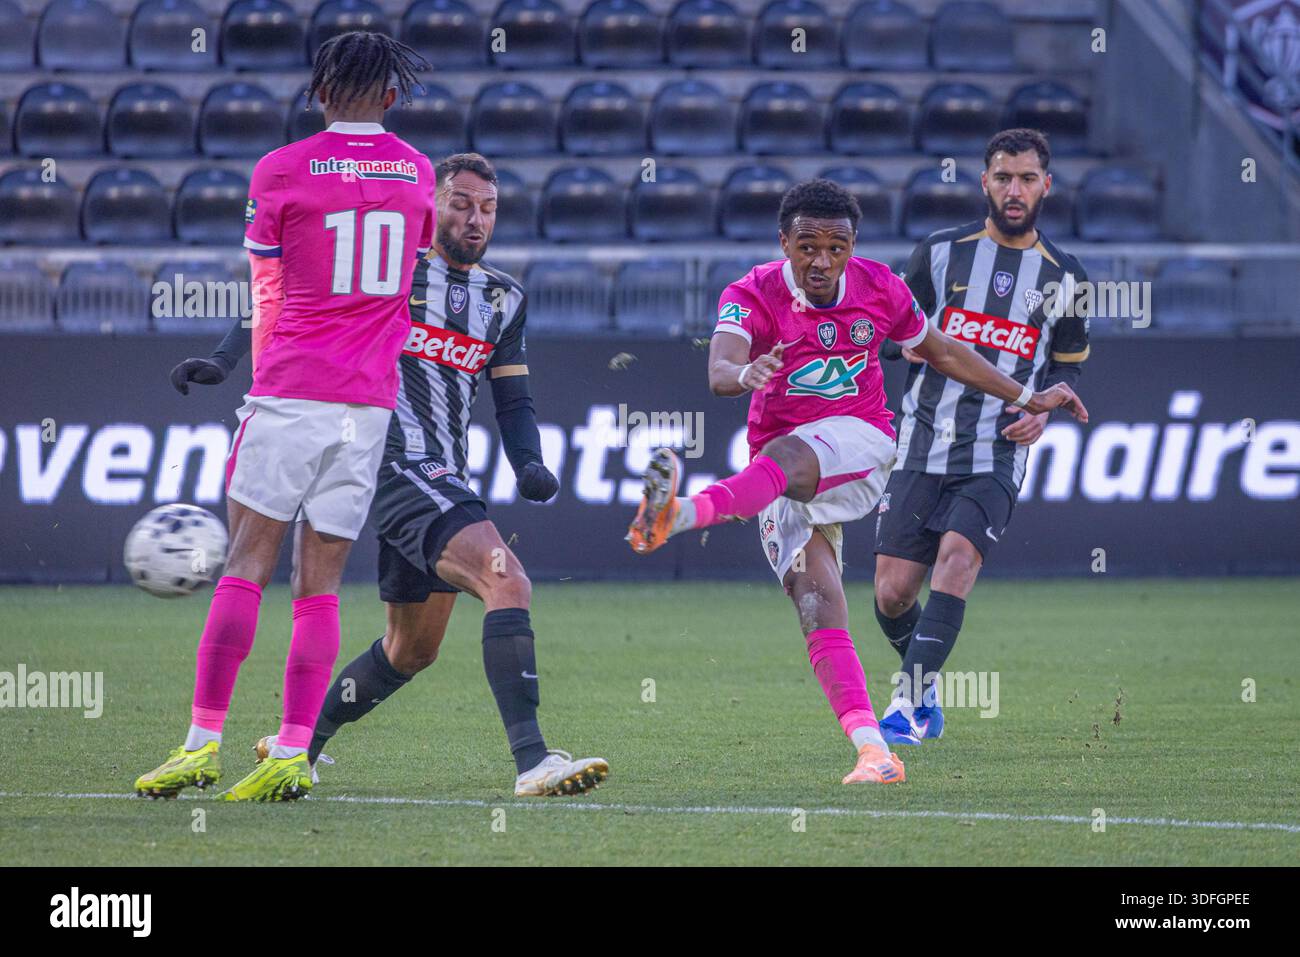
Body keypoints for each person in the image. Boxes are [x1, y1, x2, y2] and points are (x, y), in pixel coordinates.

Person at [171, 154, 607, 798]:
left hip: (440, 471)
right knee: (505, 578)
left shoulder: (503, 298)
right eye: (461, 203)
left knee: (411, 649)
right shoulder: (390, 270)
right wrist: (221, 360)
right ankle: (534, 761)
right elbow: (285, 298)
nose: (475, 218)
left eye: (487, 207)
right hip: (385, 453)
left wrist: (529, 464)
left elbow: (513, 398)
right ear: (431, 204)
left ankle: (296, 749)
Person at [627, 178, 1088, 785]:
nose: (822, 261)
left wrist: (1029, 395)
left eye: (836, 247)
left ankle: (680, 515)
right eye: (807, 247)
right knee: (817, 605)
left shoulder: (880, 286)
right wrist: (744, 376)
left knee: (791, 456)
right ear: (783, 243)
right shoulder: (750, 293)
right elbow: (719, 368)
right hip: (778, 470)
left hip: (861, 444)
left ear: (853, 245)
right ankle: (874, 751)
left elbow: (944, 351)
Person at [134, 32, 436, 802]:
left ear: (320, 92)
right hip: (367, 407)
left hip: (292, 390)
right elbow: (407, 280)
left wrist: (241, 367)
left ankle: (202, 745)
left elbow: (269, 289)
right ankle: (291, 751)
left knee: (245, 562)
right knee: (321, 585)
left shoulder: (282, 169)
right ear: (392, 98)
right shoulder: (417, 174)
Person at [873, 129, 1091, 746]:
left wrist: (1045, 411)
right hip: (921, 443)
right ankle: (928, 685)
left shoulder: (1065, 276)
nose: (1014, 189)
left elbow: (1067, 364)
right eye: (1003, 177)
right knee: (891, 594)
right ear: (984, 182)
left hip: (997, 449)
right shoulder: (938, 255)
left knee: (959, 558)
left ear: (1046, 185)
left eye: (1026, 178)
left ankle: (905, 707)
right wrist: (898, 345)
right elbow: (895, 334)